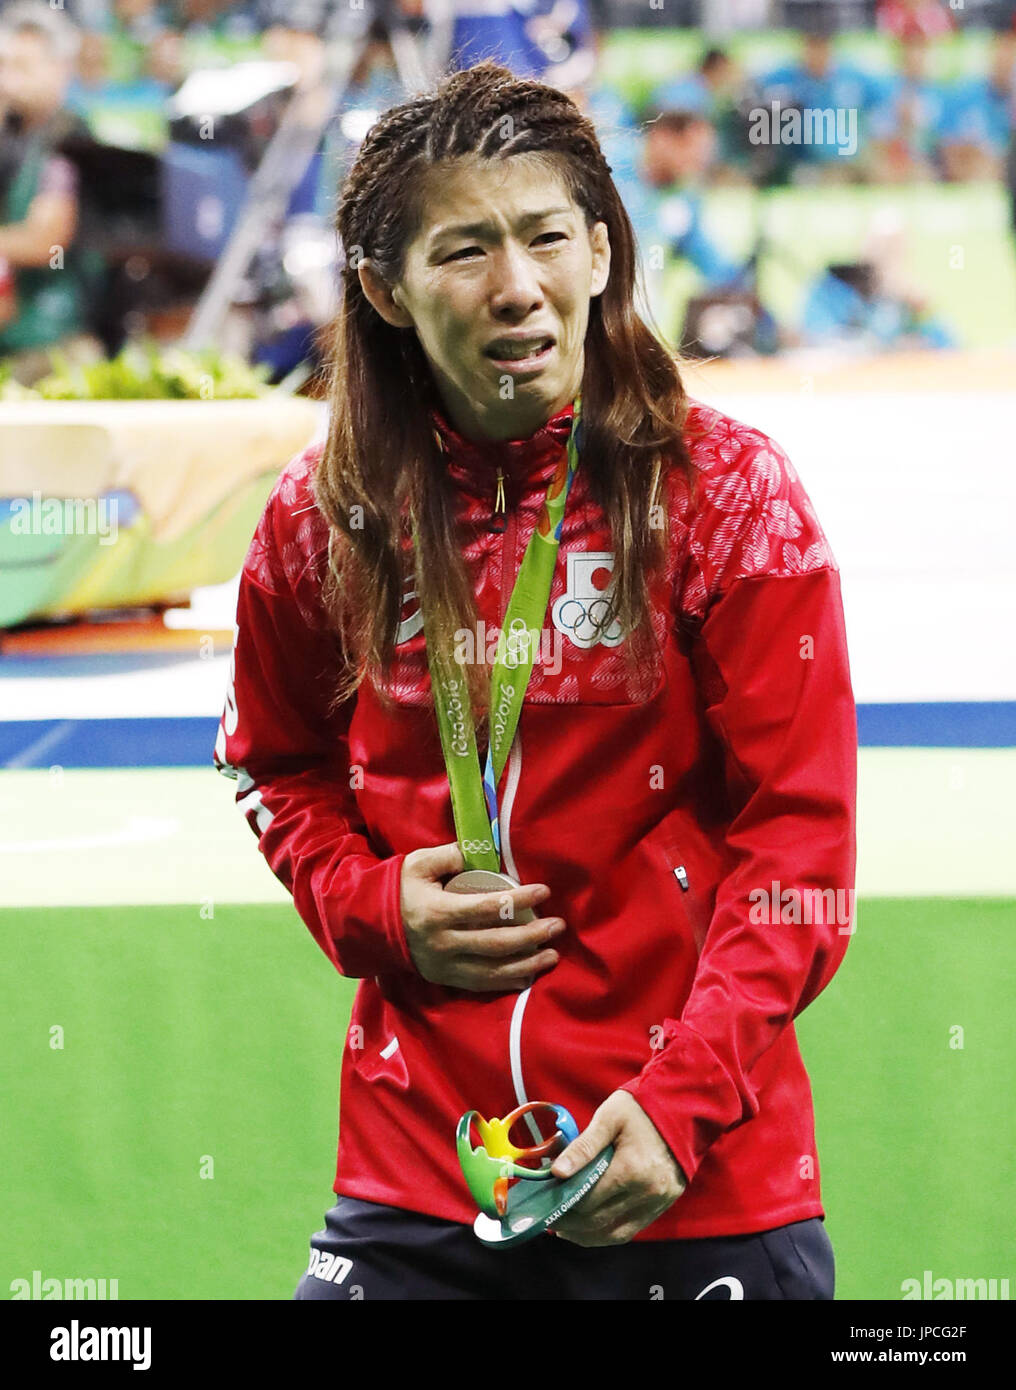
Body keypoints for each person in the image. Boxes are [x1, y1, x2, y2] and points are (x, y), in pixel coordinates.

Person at [214, 59, 857, 1301]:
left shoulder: (728, 496)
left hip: (688, 1166)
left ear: (604, 252)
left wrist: (682, 1101)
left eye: (547, 237)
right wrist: (368, 904)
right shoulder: (323, 516)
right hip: (421, 1166)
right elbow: (271, 760)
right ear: (383, 291)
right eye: (462, 249)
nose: (516, 287)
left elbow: (801, 848)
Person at [0, 3, 106, 383]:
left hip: (57, 348)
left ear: (59, 71)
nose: (8, 82)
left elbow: (46, 240)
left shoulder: (68, 139)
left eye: (22, 68)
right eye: (3, 67)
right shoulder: (12, 139)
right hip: (12, 344)